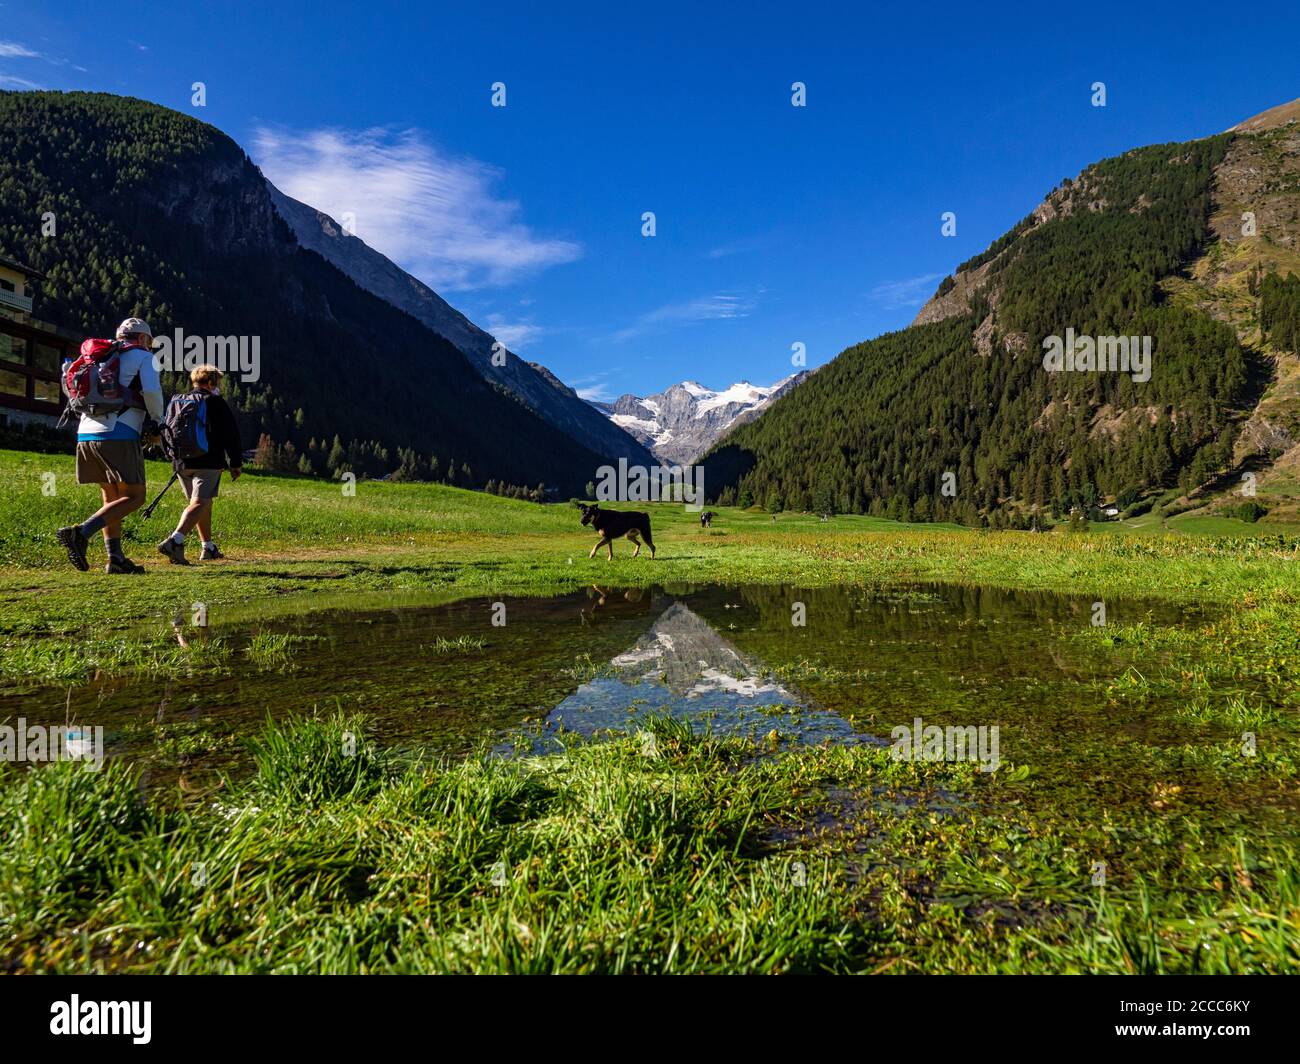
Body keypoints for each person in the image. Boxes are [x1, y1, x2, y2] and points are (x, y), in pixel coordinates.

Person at [55, 318, 164, 574]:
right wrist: (158, 421)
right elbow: (151, 392)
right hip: (119, 432)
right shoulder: (143, 357)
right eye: (149, 341)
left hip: (86, 435)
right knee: (135, 497)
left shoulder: (100, 357)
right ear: (141, 339)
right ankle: (81, 532)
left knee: (111, 495)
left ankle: (115, 558)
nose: (149, 346)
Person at [157, 364, 243, 564]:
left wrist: (172, 456)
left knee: (201, 503)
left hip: (181, 462)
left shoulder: (178, 401)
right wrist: (235, 463)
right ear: (212, 382)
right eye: (218, 382)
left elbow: (165, 427)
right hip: (208, 461)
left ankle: (208, 547)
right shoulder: (214, 401)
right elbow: (231, 434)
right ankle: (175, 540)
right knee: (200, 502)